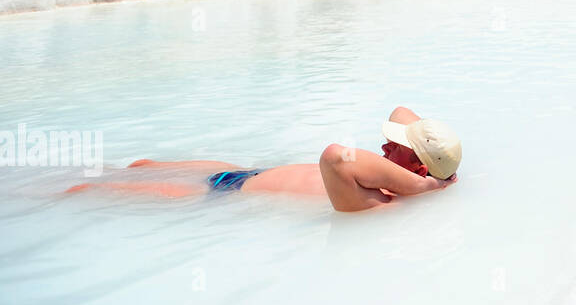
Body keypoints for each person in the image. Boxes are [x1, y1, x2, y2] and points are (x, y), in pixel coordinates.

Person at [66, 107, 460, 213]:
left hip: (223, 198)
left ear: (418, 169)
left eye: (397, 148)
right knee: (140, 166)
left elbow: (335, 157)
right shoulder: (395, 172)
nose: (385, 146)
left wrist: (422, 185)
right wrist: (434, 174)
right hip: (242, 172)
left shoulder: (378, 201)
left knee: (88, 190)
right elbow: (402, 112)